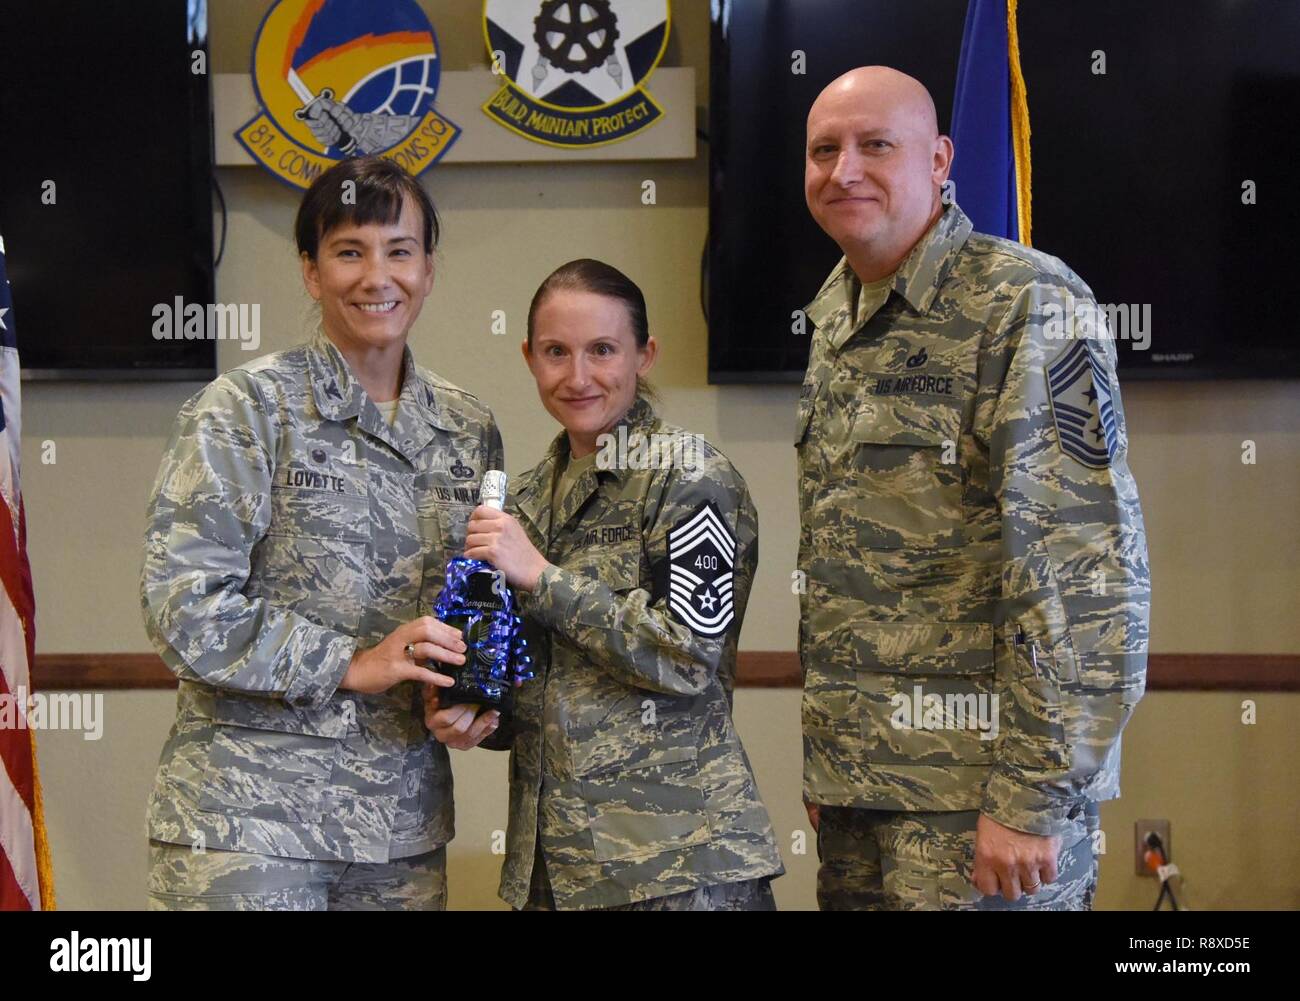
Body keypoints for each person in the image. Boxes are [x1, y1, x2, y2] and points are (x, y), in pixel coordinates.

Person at [797, 67, 1150, 910]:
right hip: (860, 792)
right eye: (823, 150)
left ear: (941, 158)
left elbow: (1083, 569)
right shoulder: (836, 316)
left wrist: (1033, 796)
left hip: (978, 802)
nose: (843, 170)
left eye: (875, 144)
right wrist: (835, 761)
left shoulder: (1027, 302)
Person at [140, 155, 502, 910]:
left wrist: (473, 699)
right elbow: (184, 606)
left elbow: (478, 605)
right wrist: (352, 661)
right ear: (310, 271)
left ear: (429, 269)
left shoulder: (467, 429)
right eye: (349, 251)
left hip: (401, 830)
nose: (378, 276)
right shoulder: (244, 410)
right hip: (249, 824)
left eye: (400, 250)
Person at [427, 259, 784, 910]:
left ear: (644, 354)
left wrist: (541, 577)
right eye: (557, 352)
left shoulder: (690, 476)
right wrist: (478, 712)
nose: (578, 376)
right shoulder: (526, 497)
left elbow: (690, 655)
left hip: (677, 866)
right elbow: (538, 680)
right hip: (553, 869)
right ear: (530, 356)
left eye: (603, 350)